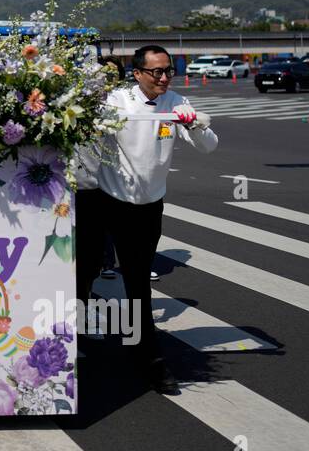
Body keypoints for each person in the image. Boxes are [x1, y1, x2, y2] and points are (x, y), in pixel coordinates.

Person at [73, 44, 217, 395]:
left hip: (148, 205)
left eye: (168, 70)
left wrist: (195, 125)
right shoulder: (117, 102)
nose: (164, 78)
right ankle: (71, 342)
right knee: (85, 270)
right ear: (137, 74)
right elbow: (84, 135)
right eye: (156, 72)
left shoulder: (176, 103)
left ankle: (148, 359)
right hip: (104, 200)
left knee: (138, 283)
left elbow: (209, 145)